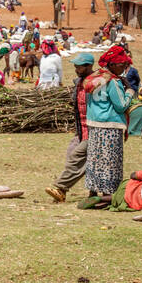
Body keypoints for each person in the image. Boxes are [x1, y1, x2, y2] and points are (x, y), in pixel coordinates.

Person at [82, 44, 134, 204]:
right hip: (110, 127)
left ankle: (93, 190)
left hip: (94, 125)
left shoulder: (94, 79)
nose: (125, 67)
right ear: (112, 64)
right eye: (122, 64)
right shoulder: (113, 82)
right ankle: (107, 194)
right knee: (110, 161)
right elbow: (121, 105)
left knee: (95, 159)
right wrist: (130, 92)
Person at [46, 53, 96, 203]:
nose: (76, 69)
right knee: (80, 158)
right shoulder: (79, 83)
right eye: (75, 66)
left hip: (95, 128)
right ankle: (93, 192)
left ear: (88, 66)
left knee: (77, 158)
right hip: (81, 128)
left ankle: (61, 188)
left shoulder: (96, 82)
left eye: (79, 66)